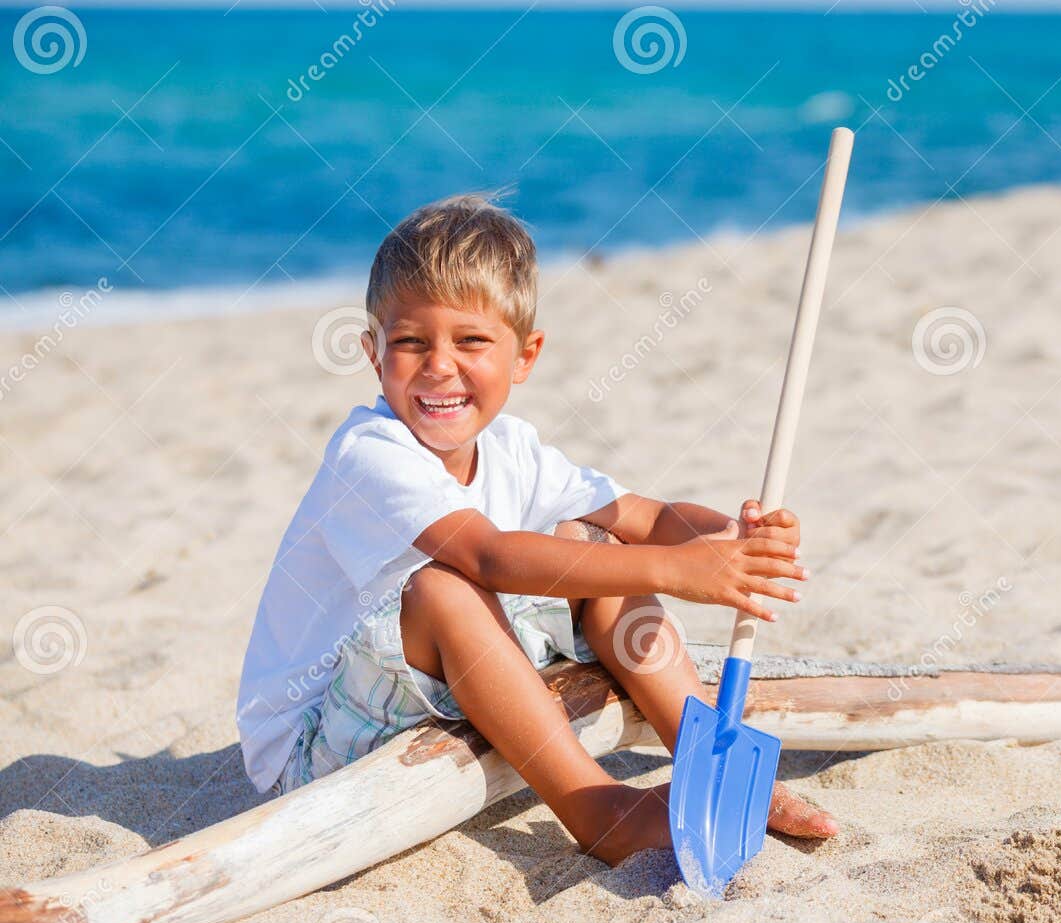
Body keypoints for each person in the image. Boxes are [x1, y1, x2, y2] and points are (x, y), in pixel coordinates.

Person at [237, 194, 838, 866]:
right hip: (315, 743)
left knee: (593, 545)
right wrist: (678, 571)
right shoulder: (370, 453)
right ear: (374, 353)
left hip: (420, 686)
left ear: (525, 355)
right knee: (441, 586)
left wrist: (730, 540)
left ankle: (710, 760)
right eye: (410, 342)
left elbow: (649, 519)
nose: (439, 365)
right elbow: (490, 558)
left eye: (471, 341)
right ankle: (597, 810)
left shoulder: (513, 449)